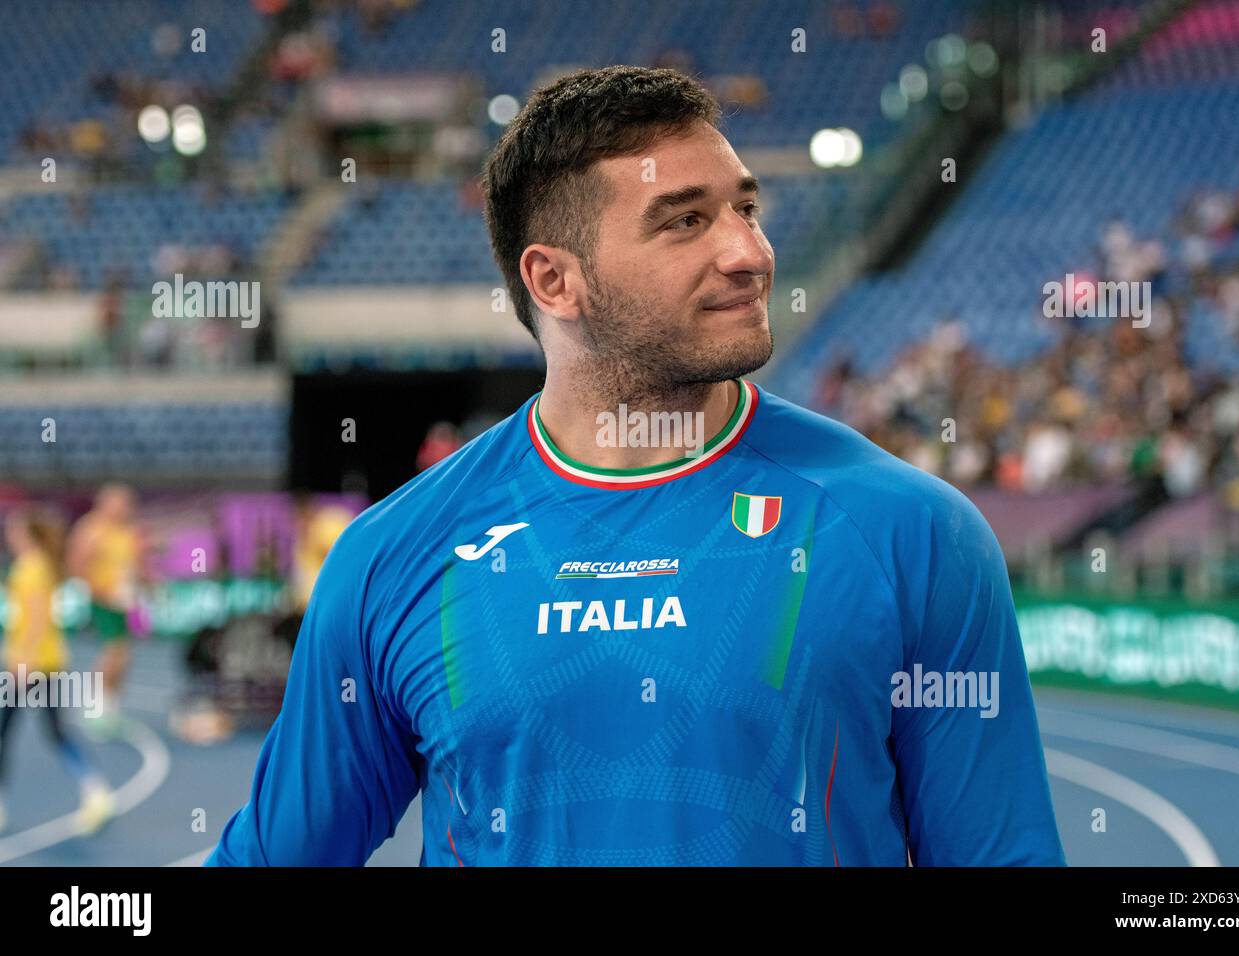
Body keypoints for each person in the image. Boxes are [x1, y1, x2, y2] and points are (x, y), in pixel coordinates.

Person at [208, 66, 1064, 866]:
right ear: (554, 281)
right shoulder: (391, 559)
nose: (749, 253)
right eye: (685, 220)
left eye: (746, 209)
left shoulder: (911, 532)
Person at [0, 509, 114, 834]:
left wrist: (24, 660)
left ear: (28, 535)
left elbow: (36, 617)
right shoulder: (41, 566)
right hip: (46, 663)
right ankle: (94, 788)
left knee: (15, 731)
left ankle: (94, 789)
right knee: (52, 731)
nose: (10, 536)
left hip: (32, 666)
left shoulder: (30, 569)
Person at [66, 484, 142, 739]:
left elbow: (133, 563)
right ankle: (95, 707)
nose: (125, 508)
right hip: (103, 598)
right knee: (114, 651)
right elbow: (77, 564)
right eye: (120, 503)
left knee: (123, 655)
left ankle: (109, 707)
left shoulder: (126, 530)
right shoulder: (92, 529)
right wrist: (97, 589)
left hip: (123, 599)